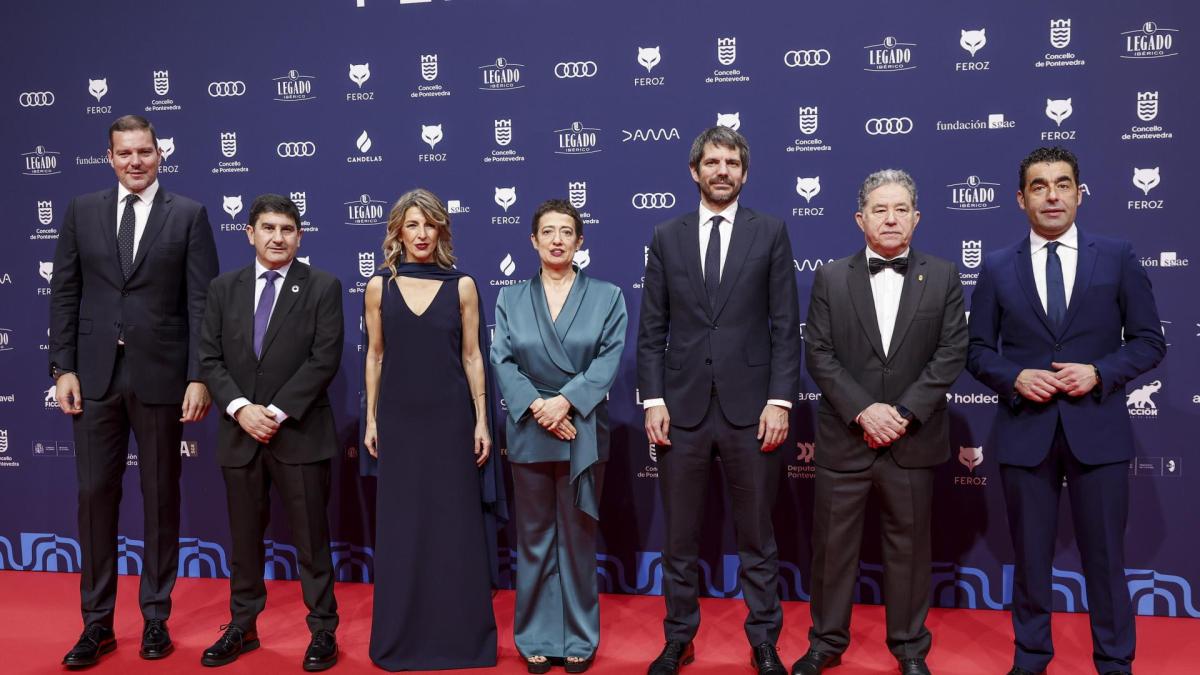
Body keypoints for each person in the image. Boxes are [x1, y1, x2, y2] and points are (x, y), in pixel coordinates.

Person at [966, 147, 1165, 675]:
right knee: (1030, 560)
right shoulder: (996, 266)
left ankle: (1115, 662)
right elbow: (977, 350)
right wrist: (1014, 377)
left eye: (1062, 184)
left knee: (1105, 560)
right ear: (1020, 198)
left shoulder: (1117, 256)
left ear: (1079, 193)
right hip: (1025, 432)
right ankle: (1031, 658)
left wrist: (1099, 372)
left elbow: (1149, 341)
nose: (1051, 195)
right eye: (1038, 186)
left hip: (1097, 429)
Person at [49, 114, 218, 667]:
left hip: (163, 376)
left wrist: (199, 375)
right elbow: (65, 294)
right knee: (95, 499)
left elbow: (202, 305)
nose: (135, 162)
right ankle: (96, 624)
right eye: (124, 153)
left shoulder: (189, 216)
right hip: (94, 376)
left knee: (160, 496)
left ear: (158, 154)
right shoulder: (82, 211)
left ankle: (155, 618)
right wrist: (62, 368)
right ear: (110, 157)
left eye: (144, 151)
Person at [637, 126, 801, 675]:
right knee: (679, 538)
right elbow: (652, 326)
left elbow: (785, 326)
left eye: (732, 162)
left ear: (745, 173)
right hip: (680, 412)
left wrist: (780, 400)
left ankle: (764, 641)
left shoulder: (771, 232)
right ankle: (677, 638)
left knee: (757, 536)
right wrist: (652, 398)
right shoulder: (666, 235)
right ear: (694, 171)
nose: (722, 170)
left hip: (752, 411)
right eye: (712, 162)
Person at [798, 170, 967, 675]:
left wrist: (905, 412)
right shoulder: (830, 277)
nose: (890, 218)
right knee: (831, 551)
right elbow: (819, 353)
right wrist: (864, 410)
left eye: (900, 210)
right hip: (845, 438)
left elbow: (951, 351)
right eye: (879, 209)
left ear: (917, 218)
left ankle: (911, 649)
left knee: (910, 553)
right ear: (860, 219)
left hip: (912, 439)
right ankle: (825, 644)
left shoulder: (943, 275)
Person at [197, 194, 343, 671]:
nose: (277, 237)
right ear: (250, 233)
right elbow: (210, 359)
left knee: (311, 540)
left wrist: (275, 412)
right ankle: (243, 626)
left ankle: (323, 629)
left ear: (299, 236)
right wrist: (241, 410)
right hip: (240, 435)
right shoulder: (222, 288)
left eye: (287, 229)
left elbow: (324, 359)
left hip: (298, 434)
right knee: (243, 541)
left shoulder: (323, 286)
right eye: (268, 228)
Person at [362, 188, 498, 670]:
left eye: (430, 224)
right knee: (404, 530)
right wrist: (372, 418)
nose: (421, 234)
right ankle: (403, 638)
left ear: (442, 229)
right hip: (399, 422)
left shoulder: (462, 285)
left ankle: (463, 642)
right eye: (412, 224)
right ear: (397, 230)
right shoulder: (379, 285)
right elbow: (375, 356)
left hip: (450, 421)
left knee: (452, 529)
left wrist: (482, 419)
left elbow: (472, 355)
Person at [492, 200, 628, 674]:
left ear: (579, 241)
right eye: (547, 231)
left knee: (576, 538)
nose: (556, 239)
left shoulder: (609, 296)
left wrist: (564, 402)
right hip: (531, 428)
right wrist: (539, 407)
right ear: (532, 241)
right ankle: (534, 636)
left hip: (582, 430)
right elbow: (502, 361)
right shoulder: (509, 298)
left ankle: (579, 638)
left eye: (566, 232)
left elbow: (608, 360)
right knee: (532, 539)